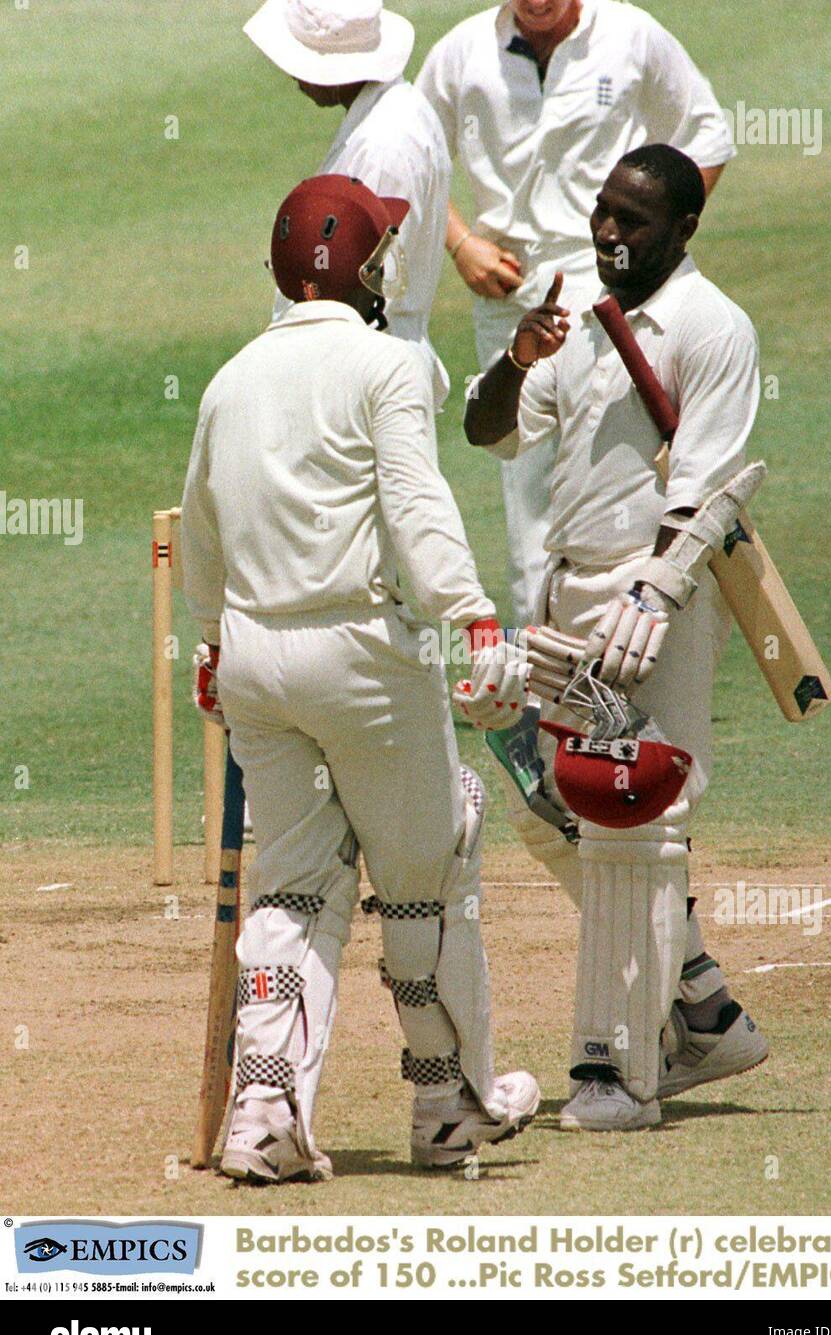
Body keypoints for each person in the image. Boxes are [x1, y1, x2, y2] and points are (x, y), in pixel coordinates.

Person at [181, 173, 538, 1182]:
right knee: (428, 865)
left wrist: (213, 645)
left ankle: (262, 1114)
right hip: (364, 656)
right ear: (368, 268)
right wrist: (471, 615)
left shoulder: (226, 380)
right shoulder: (390, 365)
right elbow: (414, 504)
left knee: (293, 884)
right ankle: (446, 1105)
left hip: (255, 657)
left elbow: (199, 536)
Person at [463, 145, 768, 1131]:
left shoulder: (711, 328)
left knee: (633, 817)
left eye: (632, 221)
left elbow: (711, 485)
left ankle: (615, 1074)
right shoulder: (586, 324)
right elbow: (488, 432)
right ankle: (706, 1012)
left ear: (683, 228)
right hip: (569, 603)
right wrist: (514, 361)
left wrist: (654, 594)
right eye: (602, 213)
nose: (607, 233)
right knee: (545, 800)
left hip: (651, 613)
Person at [418, 0, 736, 620]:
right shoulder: (461, 51)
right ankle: (538, 689)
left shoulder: (631, 34)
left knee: (628, 471)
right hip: (512, 295)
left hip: (619, 287)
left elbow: (707, 136)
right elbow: (419, 159)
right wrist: (460, 245)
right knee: (527, 491)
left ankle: (638, 641)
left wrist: (656, 241)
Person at [244, 0, 452, 404]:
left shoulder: (384, 145)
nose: (291, 75)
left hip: (360, 384)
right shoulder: (390, 114)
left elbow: (362, 290)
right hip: (362, 371)